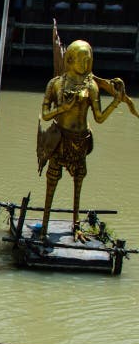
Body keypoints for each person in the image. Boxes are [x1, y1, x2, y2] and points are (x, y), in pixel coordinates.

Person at [37, 40, 123, 241]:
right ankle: (44, 226)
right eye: (81, 59)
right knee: (52, 181)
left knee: (78, 181)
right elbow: (45, 114)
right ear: (70, 59)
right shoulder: (56, 83)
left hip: (81, 141)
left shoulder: (92, 86)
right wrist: (63, 109)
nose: (85, 63)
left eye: (88, 60)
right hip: (60, 140)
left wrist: (117, 101)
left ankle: (76, 226)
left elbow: (99, 118)